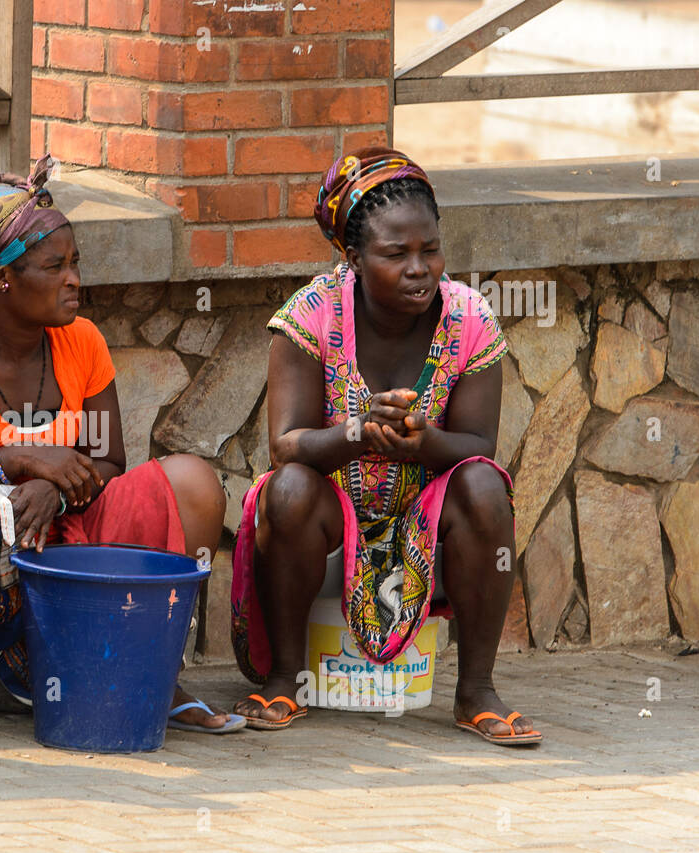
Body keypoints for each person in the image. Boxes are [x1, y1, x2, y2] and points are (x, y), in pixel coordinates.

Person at [0, 155, 243, 734]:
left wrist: (53, 485)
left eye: (76, 263)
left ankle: (157, 676)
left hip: (70, 536)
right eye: (56, 267)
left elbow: (111, 462)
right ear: (2, 278)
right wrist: (13, 462)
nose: (76, 279)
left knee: (193, 483)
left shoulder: (84, 342)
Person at [229, 147, 541, 745]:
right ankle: (285, 676)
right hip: (328, 520)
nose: (419, 268)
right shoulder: (312, 315)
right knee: (288, 489)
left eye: (430, 250)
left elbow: (479, 445)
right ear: (353, 257)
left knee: (483, 484)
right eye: (396, 255)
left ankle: (476, 690)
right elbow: (285, 446)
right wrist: (356, 432)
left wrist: (423, 444)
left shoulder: (470, 317)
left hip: (426, 519)